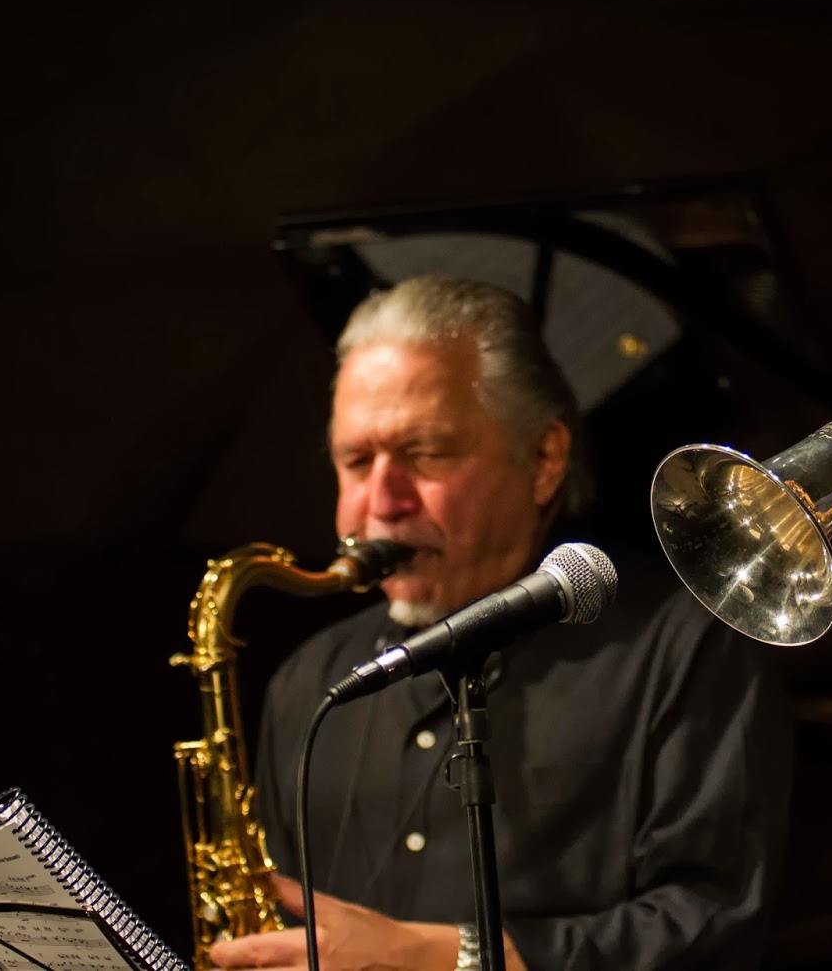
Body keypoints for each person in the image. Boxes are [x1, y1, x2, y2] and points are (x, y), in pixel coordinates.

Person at [210, 275, 791, 971]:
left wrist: (446, 958)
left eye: (424, 453)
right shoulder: (309, 682)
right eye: (356, 461)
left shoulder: (684, 644)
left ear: (544, 460)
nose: (381, 502)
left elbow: (714, 928)